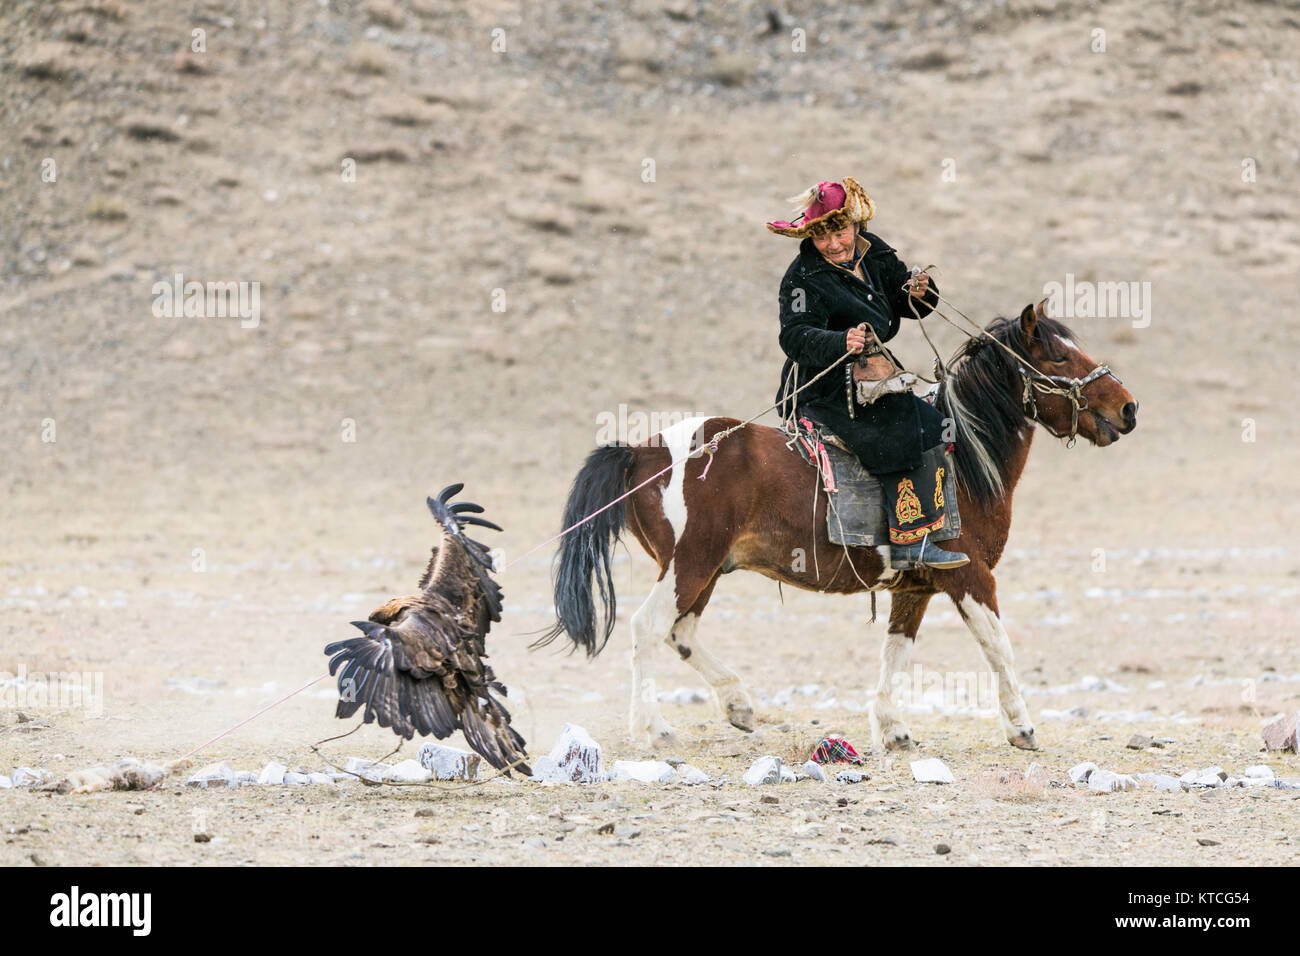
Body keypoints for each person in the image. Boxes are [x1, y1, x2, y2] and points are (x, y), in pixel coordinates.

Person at [767, 177, 968, 570]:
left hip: (872, 375)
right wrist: (840, 341)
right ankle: (909, 542)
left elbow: (905, 305)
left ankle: (935, 527)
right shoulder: (802, 278)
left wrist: (922, 291)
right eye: (822, 238)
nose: (834, 244)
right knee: (903, 423)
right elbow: (794, 336)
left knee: (934, 423)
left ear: (856, 225)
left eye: (839, 232)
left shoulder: (874, 253)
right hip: (823, 386)